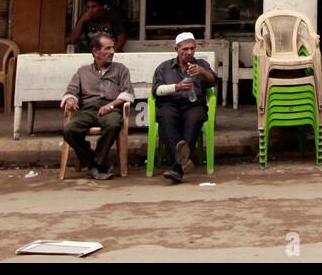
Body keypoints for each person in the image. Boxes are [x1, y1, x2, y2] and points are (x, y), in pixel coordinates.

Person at [61, 33, 135, 180]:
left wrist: (111, 105)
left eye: (112, 48)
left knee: (114, 124)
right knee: (69, 129)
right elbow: (71, 91)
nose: (112, 52)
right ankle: (94, 163)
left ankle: (96, 162)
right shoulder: (83, 72)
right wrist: (70, 100)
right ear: (96, 52)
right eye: (108, 48)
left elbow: (128, 93)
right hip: (87, 110)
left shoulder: (121, 69)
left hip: (110, 108)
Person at [151, 31, 217, 184]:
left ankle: (176, 167)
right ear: (176, 49)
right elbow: (157, 90)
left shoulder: (201, 64)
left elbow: (213, 80)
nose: (189, 52)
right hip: (170, 104)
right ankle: (182, 164)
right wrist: (176, 87)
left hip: (193, 105)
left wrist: (203, 72)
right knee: (166, 118)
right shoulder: (164, 68)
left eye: (192, 49)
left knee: (194, 118)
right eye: (185, 49)